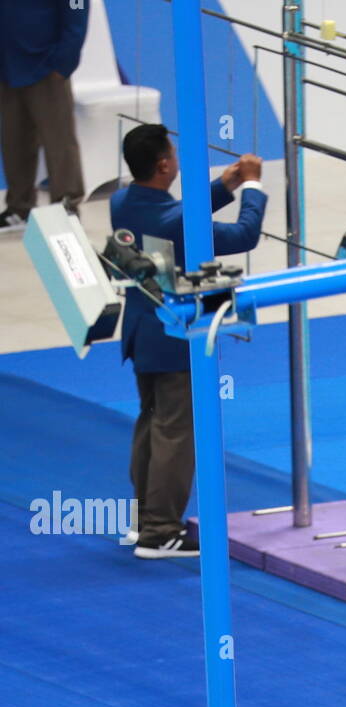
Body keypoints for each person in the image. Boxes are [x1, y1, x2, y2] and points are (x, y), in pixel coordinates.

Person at [110, 124, 267, 558]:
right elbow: (244, 235)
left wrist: (226, 184)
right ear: (164, 165)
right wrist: (252, 184)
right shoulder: (175, 222)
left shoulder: (121, 201)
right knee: (177, 433)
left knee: (152, 423)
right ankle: (161, 531)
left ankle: (146, 519)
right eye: (174, 154)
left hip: (141, 333)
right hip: (174, 334)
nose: (177, 159)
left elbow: (175, 214)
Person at [0, 0, 88, 234]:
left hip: (48, 68)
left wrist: (64, 63)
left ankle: (66, 205)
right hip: (7, 67)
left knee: (59, 140)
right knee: (13, 141)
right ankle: (19, 208)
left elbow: (76, 15)